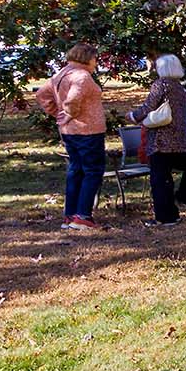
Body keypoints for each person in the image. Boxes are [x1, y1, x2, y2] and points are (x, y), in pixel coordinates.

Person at [36, 43, 106, 231]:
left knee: (76, 170)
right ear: (87, 58)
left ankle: (70, 215)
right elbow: (74, 99)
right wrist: (67, 113)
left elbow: (42, 94)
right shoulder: (82, 76)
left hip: (69, 132)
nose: (96, 62)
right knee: (92, 171)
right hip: (88, 130)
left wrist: (57, 113)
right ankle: (83, 216)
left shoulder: (61, 74)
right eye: (94, 58)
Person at [127, 54, 186, 227]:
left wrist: (133, 116)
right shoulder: (179, 88)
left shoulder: (160, 85)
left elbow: (148, 107)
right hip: (177, 139)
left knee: (159, 180)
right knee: (167, 178)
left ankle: (164, 216)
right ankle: (172, 213)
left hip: (161, 139)